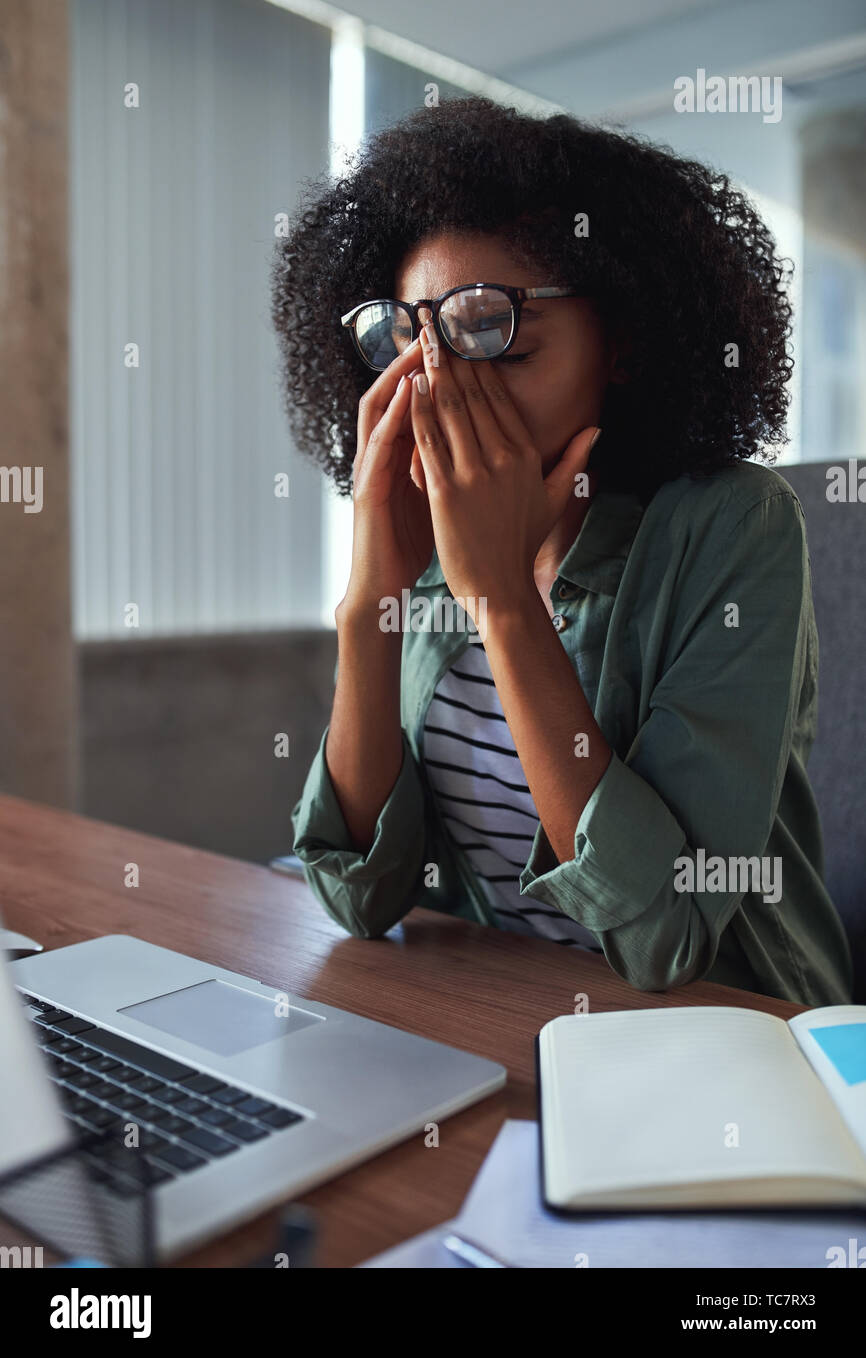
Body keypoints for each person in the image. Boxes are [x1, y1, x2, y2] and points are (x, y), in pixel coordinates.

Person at [271, 96, 852, 1006]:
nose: (444, 390)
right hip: (505, 1010)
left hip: (726, 1028)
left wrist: (501, 599)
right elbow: (359, 893)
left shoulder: (734, 525)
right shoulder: (424, 549)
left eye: (492, 336)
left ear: (621, 342)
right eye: (412, 346)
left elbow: (665, 935)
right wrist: (370, 600)